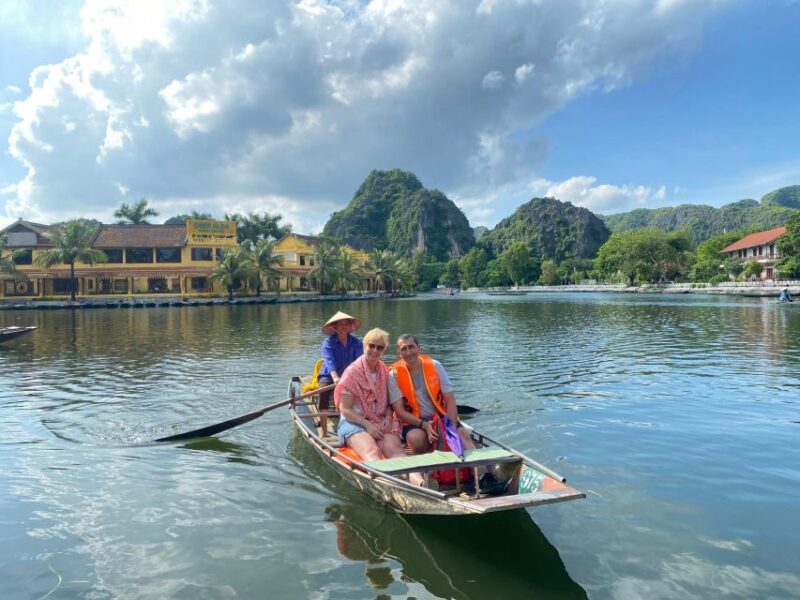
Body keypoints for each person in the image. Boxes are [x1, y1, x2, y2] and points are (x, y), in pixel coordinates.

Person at [388, 333, 502, 492]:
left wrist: (454, 425)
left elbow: (450, 399)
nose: (408, 352)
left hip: (440, 417)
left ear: (419, 348)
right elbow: (399, 411)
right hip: (413, 421)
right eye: (404, 349)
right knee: (417, 439)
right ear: (399, 353)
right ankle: (426, 474)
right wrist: (424, 425)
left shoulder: (435, 366)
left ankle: (482, 476)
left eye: (411, 347)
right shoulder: (393, 374)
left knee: (461, 435)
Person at [335, 329, 419, 482]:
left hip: (379, 418)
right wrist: (367, 425)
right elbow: (344, 409)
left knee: (396, 451)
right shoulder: (352, 372)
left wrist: (388, 417)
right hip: (353, 422)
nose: (375, 350)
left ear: (384, 350)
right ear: (364, 346)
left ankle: (421, 485)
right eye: (371, 346)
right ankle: (391, 485)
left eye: (379, 347)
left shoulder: (383, 370)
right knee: (371, 451)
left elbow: (387, 403)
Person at [318, 311, 363, 436]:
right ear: (334, 327)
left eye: (346, 324)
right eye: (340, 324)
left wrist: (354, 379)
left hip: (349, 376)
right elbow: (329, 361)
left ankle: (357, 422)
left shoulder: (356, 342)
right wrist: (336, 378)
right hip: (330, 375)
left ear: (350, 326)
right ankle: (324, 430)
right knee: (322, 391)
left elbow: (359, 362)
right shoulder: (328, 343)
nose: (343, 327)